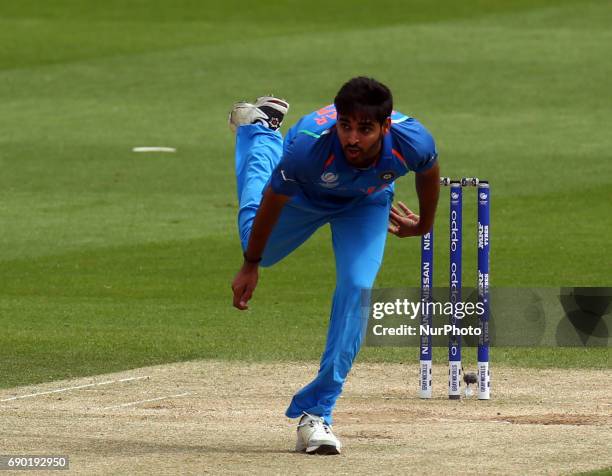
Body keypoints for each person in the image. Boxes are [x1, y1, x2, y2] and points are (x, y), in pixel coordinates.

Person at [229, 77, 440, 455]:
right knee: (256, 239)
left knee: (358, 288)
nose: (353, 139)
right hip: (302, 196)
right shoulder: (308, 148)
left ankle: (317, 410)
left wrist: (424, 225)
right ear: (337, 121)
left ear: (385, 126)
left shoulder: (414, 140)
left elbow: (428, 169)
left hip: (365, 203)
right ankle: (260, 132)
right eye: (345, 127)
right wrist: (251, 264)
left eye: (365, 129)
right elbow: (273, 201)